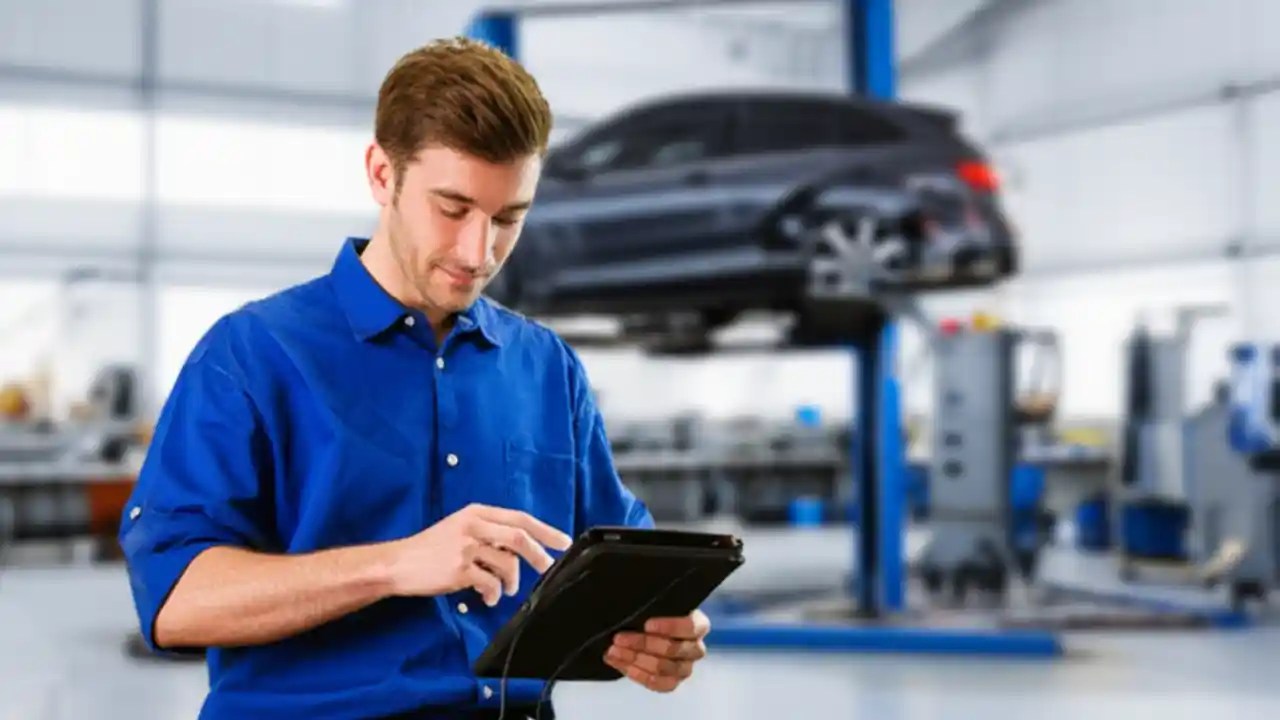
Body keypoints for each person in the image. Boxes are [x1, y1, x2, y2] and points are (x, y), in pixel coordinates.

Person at [118, 37, 711, 720]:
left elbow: (622, 565)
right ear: (381, 174)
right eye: (452, 208)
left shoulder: (548, 369)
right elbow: (174, 601)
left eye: (508, 219)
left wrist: (662, 633)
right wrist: (396, 564)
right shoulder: (251, 355)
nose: (478, 251)